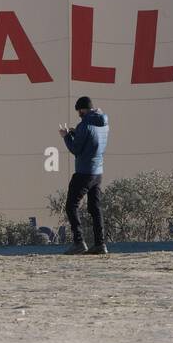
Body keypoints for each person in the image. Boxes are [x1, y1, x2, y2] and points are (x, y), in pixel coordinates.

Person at [59, 96, 110, 255]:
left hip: (84, 172)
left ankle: (79, 242)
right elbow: (90, 143)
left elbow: (76, 149)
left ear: (82, 109)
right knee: (95, 209)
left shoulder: (85, 124)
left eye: (79, 111)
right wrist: (76, 132)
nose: (78, 114)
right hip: (98, 172)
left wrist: (66, 135)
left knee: (71, 206)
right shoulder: (104, 123)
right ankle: (100, 244)